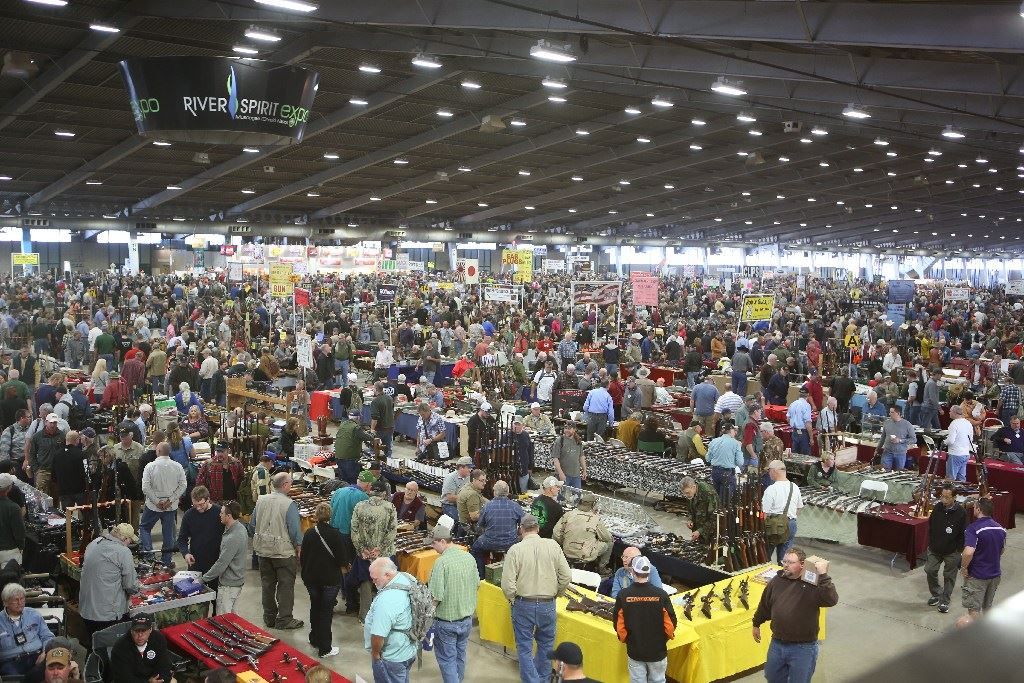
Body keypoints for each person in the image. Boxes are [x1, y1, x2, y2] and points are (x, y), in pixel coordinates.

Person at [500, 514, 572, 683]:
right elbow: (566, 576)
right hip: (548, 604)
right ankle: (543, 679)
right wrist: (557, 593)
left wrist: (512, 599)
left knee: (524, 648)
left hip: (523, 604)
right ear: (538, 529)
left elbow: (507, 585)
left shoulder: (515, 550)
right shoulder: (553, 545)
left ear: (521, 530)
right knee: (546, 645)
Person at [752, 547, 838, 683]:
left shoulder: (812, 586)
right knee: (772, 677)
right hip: (777, 643)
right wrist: (756, 623)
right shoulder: (776, 581)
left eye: (790, 562)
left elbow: (831, 600)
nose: (785, 565)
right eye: (784, 561)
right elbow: (765, 605)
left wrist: (823, 576)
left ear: (802, 564)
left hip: (803, 648)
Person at [251, 471, 304, 630]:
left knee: (267, 585)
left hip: (262, 551)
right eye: (290, 483)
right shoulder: (289, 504)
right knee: (285, 586)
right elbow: (295, 530)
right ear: (285, 485)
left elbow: (252, 525)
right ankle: (284, 619)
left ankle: (269, 617)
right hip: (283, 553)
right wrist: (299, 547)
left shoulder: (261, 500)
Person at [427, 525, 479, 683]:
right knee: (460, 655)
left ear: (442, 541)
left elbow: (436, 596)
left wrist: (427, 615)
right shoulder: (468, 557)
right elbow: (477, 583)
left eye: (433, 544)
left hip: (446, 623)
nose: (433, 548)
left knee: (447, 659)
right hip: (466, 620)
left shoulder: (441, 563)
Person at [613, 555, 676, 683]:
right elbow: (670, 624)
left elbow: (618, 625)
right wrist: (662, 640)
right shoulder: (661, 595)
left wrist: (628, 640)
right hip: (658, 651)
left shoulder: (623, 595)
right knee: (658, 680)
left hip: (635, 651)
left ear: (632, 571)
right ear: (648, 572)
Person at [78, 522, 140, 647]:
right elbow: (130, 586)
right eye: (129, 540)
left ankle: (91, 666)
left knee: (94, 648)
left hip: (86, 610)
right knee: (111, 651)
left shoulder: (94, 543)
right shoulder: (123, 552)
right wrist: (139, 587)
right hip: (107, 615)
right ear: (124, 539)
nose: (130, 544)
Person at [300, 502, 345, 658]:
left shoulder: (309, 533)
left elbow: (303, 557)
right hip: (330, 580)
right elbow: (342, 560)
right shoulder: (336, 534)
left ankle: (315, 639)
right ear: (329, 516)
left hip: (311, 578)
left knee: (315, 608)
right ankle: (325, 648)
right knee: (326, 613)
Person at [350, 479, 399, 621]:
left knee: (365, 583)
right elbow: (392, 531)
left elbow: (354, 530)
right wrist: (380, 548)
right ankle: (383, 616)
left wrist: (362, 549)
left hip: (364, 554)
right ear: (384, 493)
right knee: (385, 584)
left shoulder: (359, 506)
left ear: (370, 491)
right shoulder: (390, 507)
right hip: (384, 554)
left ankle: (364, 616)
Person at [364, 557, 417, 683]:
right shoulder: (407, 578)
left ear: (387, 575)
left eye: (375, 579)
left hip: (392, 656)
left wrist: (375, 655)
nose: (373, 582)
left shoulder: (387, 599)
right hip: (409, 647)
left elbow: (378, 634)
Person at [140, 441, 187, 569]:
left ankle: (149, 558)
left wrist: (156, 501)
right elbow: (183, 485)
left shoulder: (150, 466)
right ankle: (166, 562)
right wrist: (170, 500)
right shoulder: (177, 466)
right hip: (170, 507)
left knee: (144, 528)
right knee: (168, 534)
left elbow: (145, 487)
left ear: (158, 451)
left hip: (153, 506)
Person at [923, 484, 966, 614]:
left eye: (947, 498)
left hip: (952, 551)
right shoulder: (937, 507)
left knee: (949, 576)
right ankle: (936, 593)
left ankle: (944, 600)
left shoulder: (961, 512)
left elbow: (963, 533)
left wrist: (959, 550)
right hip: (935, 549)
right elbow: (931, 525)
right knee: (929, 569)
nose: (944, 500)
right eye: (942, 497)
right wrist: (932, 543)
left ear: (954, 497)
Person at [961, 496, 1007, 617]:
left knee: (974, 609)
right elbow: (1001, 550)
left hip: (977, 575)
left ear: (979, 509)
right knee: (987, 607)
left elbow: (968, 552)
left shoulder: (973, 529)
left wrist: (964, 567)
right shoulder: (1000, 528)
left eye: (975, 507)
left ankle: (976, 634)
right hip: (995, 574)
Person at [202, 500, 249, 615]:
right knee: (232, 618)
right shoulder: (240, 528)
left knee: (223, 620)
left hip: (229, 586)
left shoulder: (233, 537)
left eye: (222, 513)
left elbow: (221, 563)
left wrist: (203, 579)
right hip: (236, 583)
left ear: (228, 516)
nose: (219, 515)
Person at [471, 480, 523, 577]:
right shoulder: (515, 506)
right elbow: (523, 525)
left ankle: (481, 576)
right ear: (508, 492)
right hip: (511, 543)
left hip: (489, 542)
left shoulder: (487, 506)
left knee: (475, 549)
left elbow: (479, 527)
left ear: (494, 492)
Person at [0, 583, 54, 676]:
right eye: (15, 600)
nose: (20, 603)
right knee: (13, 675)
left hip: (37, 655)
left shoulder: (33, 614)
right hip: (11, 661)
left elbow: (47, 636)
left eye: (22, 599)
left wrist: (45, 653)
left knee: (52, 670)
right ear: (5, 602)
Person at [176, 486, 223, 589]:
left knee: (217, 600)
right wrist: (186, 553)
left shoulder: (220, 513)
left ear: (208, 499)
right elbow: (181, 539)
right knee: (197, 600)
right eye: (195, 505)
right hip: (196, 564)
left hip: (215, 565)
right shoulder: (189, 515)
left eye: (201, 504)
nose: (198, 508)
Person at [552, 491, 613, 571]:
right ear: (593, 506)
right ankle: (601, 568)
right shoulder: (595, 519)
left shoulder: (568, 514)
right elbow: (607, 538)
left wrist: (566, 542)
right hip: (585, 555)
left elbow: (556, 533)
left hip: (566, 552)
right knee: (610, 542)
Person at [108, 613, 172, 683]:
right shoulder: (120, 647)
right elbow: (124, 678)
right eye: (137, 631)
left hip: (153, 679)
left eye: (143, 631)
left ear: (150, 630)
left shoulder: (158, 638)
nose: (140, 635)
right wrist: (148, 682)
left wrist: (160, 679)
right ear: (131, 631)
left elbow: (164, 665)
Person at [762, 460, 803, 564]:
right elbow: (799, 508)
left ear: (774, 471)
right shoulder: (794, 487)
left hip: (772, 526)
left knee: (764, 558)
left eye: (769, 470)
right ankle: (783, 578)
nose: (769, 473)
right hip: (791, 524)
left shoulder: (771, 489)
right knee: (785, 562)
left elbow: (764, 513)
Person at [333, 409, 378, 484]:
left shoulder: (343, 424)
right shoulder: (356, 428)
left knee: (343, 480)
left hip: (338, 456)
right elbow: (369, 438)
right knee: (352, 480)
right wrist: (372, 433)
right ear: (358, 418)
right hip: (349, 458)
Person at [26, 413, 65, 497]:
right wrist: (36, 469)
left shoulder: (62, 435)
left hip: (58, 470)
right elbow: (32, 453)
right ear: (46, 422)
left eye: (55, 423)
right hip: (43, 470)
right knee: (42, 496)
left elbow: (65, 452)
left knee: (56, 495)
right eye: (51, 422)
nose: (53, 425)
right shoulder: (37, 436)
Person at [706, 423, 743, 501]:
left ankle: (717, 512)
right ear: (730, 430)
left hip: (715, 472)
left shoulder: (714, 441)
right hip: (727, 473)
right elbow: (740, 462)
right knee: (725, 501)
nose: (735, 433)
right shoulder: (735, 443)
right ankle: (723, 511)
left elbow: (708, 459)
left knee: (716, 497)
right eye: (734, 430)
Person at [679, 476, 719, 543]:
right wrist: (690, 519)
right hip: (698, 531)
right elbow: (690, 509)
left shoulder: (708, 494)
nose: (686, 495)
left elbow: (715, 518)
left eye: (687, 493)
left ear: (694, 487)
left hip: (710, 533)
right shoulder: (691, 493)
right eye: (684, 493)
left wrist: (700, 531)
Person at [880, 405, 917, 471]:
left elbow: (914, 439)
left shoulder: (907, 425)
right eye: (889, 412)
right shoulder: (886, 423)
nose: (889, 414)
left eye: (892, 412)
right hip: (887, 452)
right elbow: (883, 437)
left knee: (899, 472)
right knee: (884, 471)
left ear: (898, 413)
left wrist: (900, 440)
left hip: (900, 453)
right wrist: (877, 449)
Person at [0, 473, 25, 565]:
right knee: (10, 578)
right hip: (9, 552)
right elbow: (19, 532)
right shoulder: (13, 508)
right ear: (9, 488)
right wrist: (21, 547)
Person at [945, 405, 975, 481]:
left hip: (955, 453)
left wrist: (944, 442)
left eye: (950, 411)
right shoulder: (968, 423)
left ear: (955, 413)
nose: (949, 413)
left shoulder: (954, 424)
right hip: (965, 453)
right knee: (961, 478)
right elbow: (971, 439)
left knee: (951, 478)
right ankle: (961, 492)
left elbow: (950, 441)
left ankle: (949, 492)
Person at [550, 423, 584, 490]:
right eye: (565, 428)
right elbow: (555, 459)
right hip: (564, 475)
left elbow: (581, 456)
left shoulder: (578, 441)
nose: (566, 430)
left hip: (576, 476)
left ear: (574, 430)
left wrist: (584, 470)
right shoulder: (560, 440)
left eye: (569, 428)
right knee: (561, 497)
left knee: (577, 497)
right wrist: (560, 473)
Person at [440, 457, 472, 527]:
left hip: (461, 505)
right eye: (468, 467)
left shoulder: (468, 477)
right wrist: (468, 499)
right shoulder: (450, 478)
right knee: (461, 521)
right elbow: (450, 498)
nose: (470, 470)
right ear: (461, 467)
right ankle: (458, 536)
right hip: (449, 505)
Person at [369, 381, 396, 459]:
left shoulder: (375, 401)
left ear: (376, 389)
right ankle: (389, 464)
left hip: (380, 428)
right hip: (390, 426)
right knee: (388, 449)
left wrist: (372, 429)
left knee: (373, 448)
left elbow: (375, 418)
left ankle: (374, 466)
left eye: (373, 388)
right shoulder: (389, 398)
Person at [786, 387, 814, 456]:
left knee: (795, 456)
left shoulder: (793, 404)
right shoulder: (807, 406)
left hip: (795, 432)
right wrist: (811, 438)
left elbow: (788, 418)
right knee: (805, 457)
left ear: (799, 394)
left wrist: (794, 425)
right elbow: (808, 423)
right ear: (807, 395)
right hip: (803, 434)